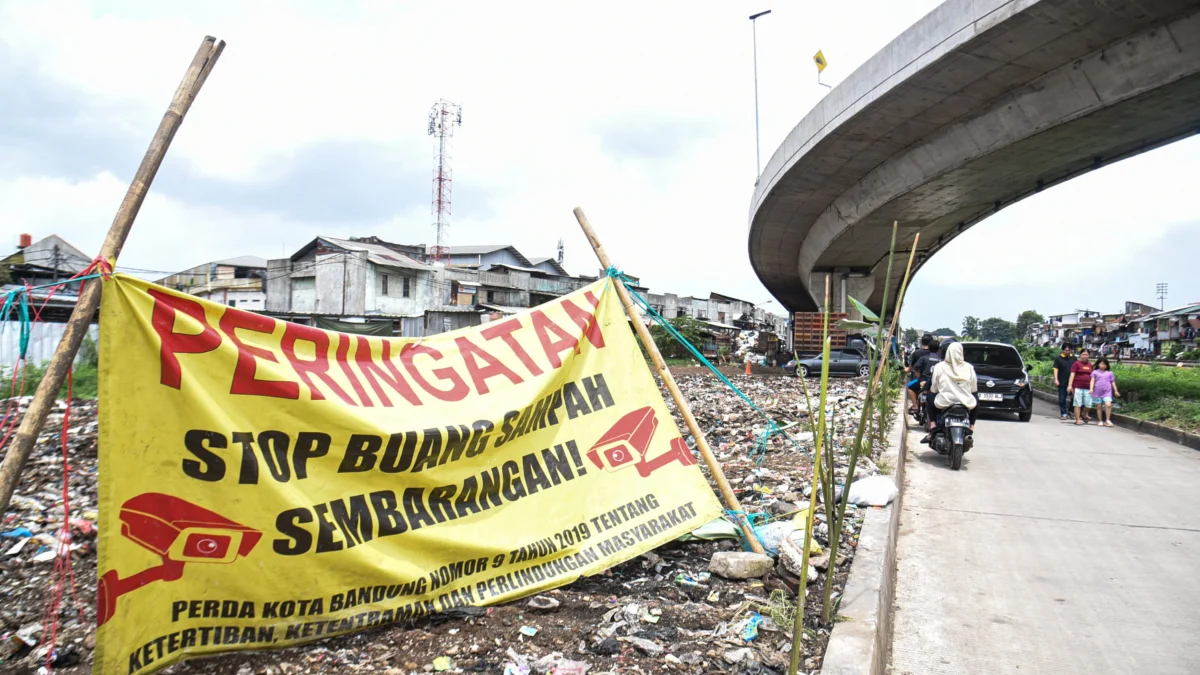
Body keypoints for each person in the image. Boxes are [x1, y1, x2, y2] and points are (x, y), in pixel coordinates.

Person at [924, 341, 979, 443]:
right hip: (965, 402)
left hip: (944, 402)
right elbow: (973, 388)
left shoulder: (939, 367)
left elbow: (934, 388)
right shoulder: (969, 368)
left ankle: (933, 424)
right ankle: (972, 426)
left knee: (929, 396)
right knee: (976, 399)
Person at [904, 334, 934, 413]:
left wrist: (905, 369)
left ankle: (915, 406)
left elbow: (910, 368)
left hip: (921, 379)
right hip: (934, 381)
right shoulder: (935, 353)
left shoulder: (916, 353)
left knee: (910, 386)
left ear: (921, 342)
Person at [1068, 349, 1094, 425]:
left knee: (1088, 404)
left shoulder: (1090, 365)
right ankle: (1077, 419)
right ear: (1080, 355)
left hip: (1088, 387)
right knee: (1077, 404)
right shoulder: (1076, 364)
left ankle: (1083, 413)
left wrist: (1092, 387)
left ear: (1089, 356)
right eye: (1083, 354)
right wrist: (1070, 385)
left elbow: (1092, 377)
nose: (1085, 356)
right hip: (1077, 387)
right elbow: (1072, 375)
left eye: (1086, 355)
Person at [1090, 358, 1120, 427]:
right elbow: (1092, 381)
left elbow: (1113, 382)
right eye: (1102, 364)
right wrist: (1091, 389)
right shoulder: (1095, 372)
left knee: (1108, 404)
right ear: (1098, 364)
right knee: (1099, 406)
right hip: (1097, 392)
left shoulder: (1109, 373)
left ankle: (1107, 420)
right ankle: (1100, 420)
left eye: (1105, 364)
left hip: (1107, 392)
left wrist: (1116, 390)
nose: (1103, 366)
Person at [1052, 345, 1076, 420]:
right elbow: (1056, 369)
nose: (1067, 351)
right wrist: (1056, 379)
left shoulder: (1074, 358)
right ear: (1062, 350)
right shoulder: (1058, 358)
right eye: (1066, 350)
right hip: (1062, 381)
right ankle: (1063, 413)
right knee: (1062, 398)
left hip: (1072, 382)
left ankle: (1071, 411)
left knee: (1074, 398)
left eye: (1069, 350)